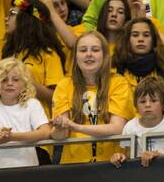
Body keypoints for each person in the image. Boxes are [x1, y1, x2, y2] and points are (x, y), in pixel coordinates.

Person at [51, 29, 132, 162]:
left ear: (105, 55)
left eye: (95, 50)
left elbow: (117, 128)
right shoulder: (64, 85)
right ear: (75, 56)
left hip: (112, 162)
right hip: (74, 166)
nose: (89, 54)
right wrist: (59, 128)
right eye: (83, 50)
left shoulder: (119, 83)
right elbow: (60, 136)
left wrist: (76, 127)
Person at [0, 56, 53, 168]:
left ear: (24, 84)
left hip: (27, 168)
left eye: (15, 79)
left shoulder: (32, 104)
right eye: (4, 80)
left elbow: (45, 132)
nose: (9, 83)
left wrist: (12, 137)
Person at [4, 0, 66, 110]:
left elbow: (58, 98)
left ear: (26, 19)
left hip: (39, 124)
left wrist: (27, 84)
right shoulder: (8, 51)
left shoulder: (49, 54)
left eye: (12, 14)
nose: (6, 18)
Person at [110, 73, 164, 164]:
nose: (147, 105)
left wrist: (157, 157)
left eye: (153, 101)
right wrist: (120, 158)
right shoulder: (130, 126)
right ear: (136, 106)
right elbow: (129, 158)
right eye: (142, 101)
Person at [112, 15, 164, 101]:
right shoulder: (114, 71)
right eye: (135, 35)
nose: (140, 39)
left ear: (153, 40)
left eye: (146, 35)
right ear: (127, 40)